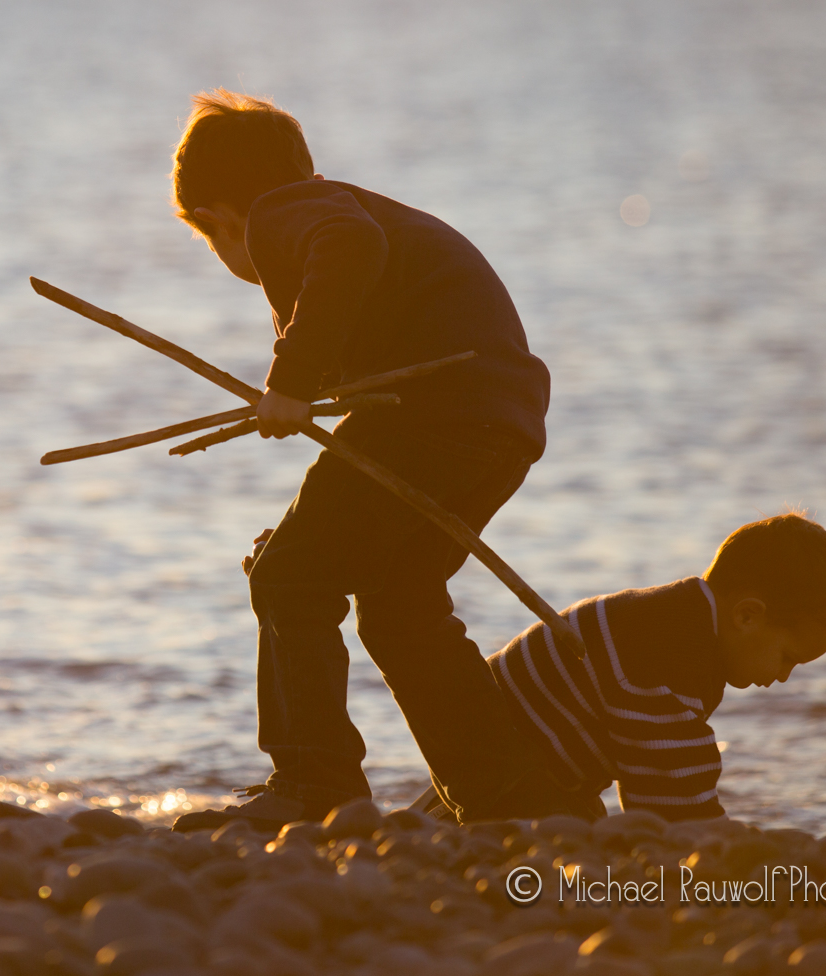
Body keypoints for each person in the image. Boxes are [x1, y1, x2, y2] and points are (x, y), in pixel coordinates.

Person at [165, 89, 553, 828]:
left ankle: (314, 785)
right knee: (399, 603)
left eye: (210, 241)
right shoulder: (327, 207)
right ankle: (509, 797)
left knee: (288, 579)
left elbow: (348, 251)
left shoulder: (291, 214)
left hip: (442, 419)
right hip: (500, 424)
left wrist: (288, 381)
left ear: (215, 221)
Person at [418, 510, 826, 822]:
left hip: (498, 746)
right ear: (747, 616)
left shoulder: (673, 616)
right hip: (501, 760)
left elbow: (648, 761)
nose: (782, 677)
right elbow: (675, 803)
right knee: (575, 844)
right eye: (787, 657)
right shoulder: (675, 657)